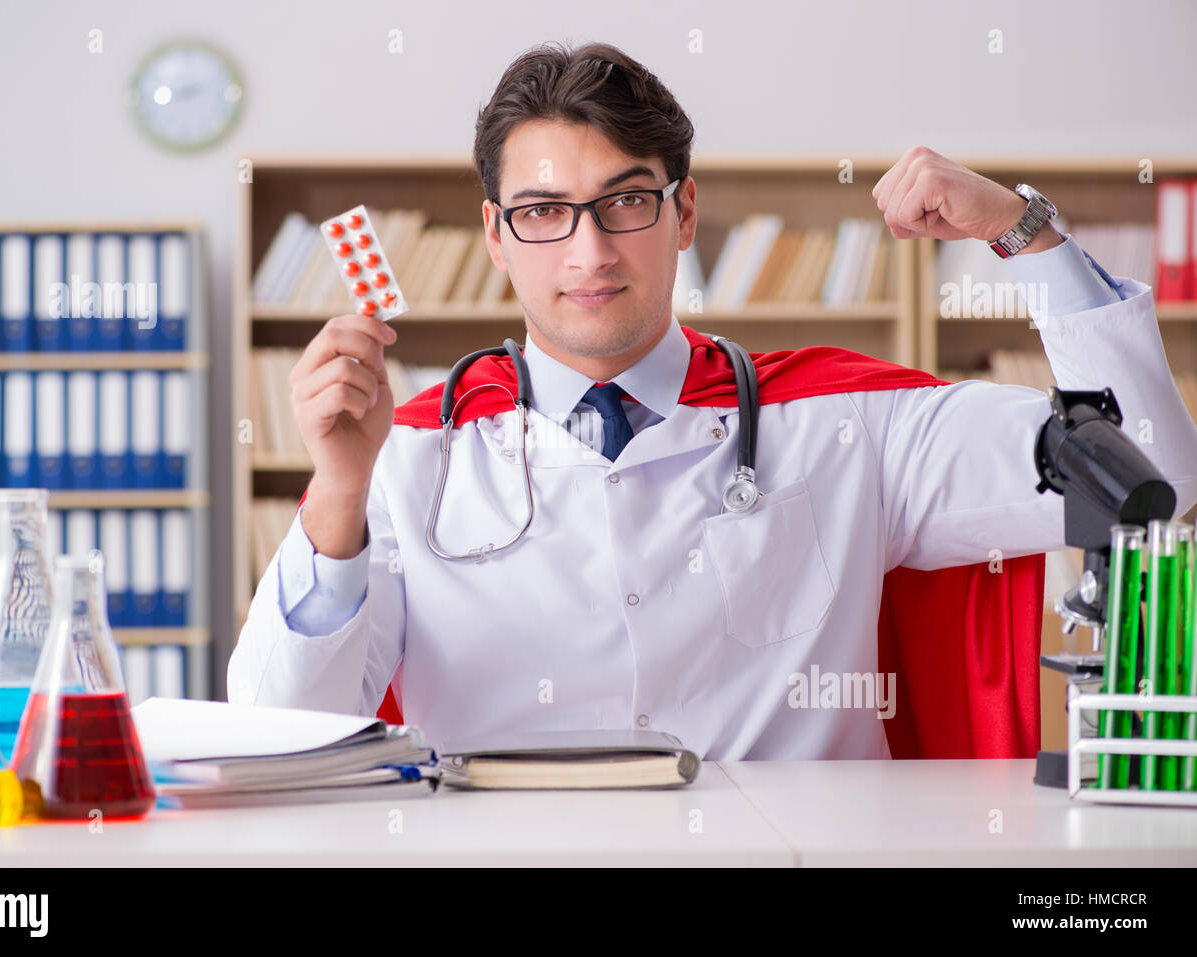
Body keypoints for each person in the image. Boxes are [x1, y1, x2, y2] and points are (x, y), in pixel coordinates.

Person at [228, 41, 1197, 760]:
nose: (589, 251)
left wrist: (1025, 233)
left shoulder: (848, 421)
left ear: (683, 212)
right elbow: (280, 731)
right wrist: (336, 501)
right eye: (542, 212)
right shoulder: (404, 457)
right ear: (494, 233)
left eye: (626, 201)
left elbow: (1155, 478)